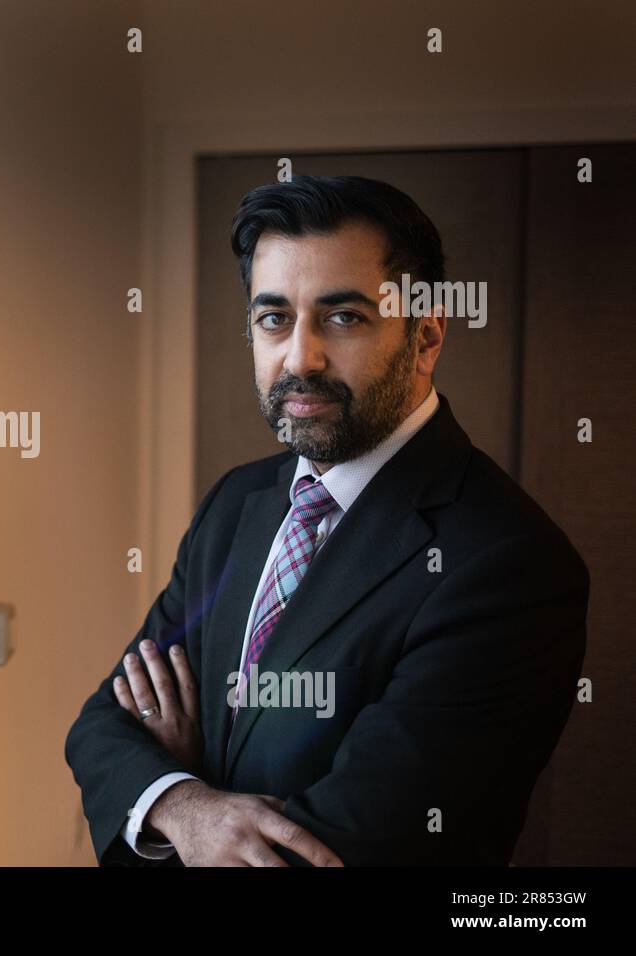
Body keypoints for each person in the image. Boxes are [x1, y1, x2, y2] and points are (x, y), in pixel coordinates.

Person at [63, 175, 589, 866]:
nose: (299, 358)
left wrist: (186, 777)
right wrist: (183, 804)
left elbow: (337, 851)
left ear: (425, 336)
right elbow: (103, 723)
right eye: (274, 318)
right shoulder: (236, 503)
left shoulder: (509, 566)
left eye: (344, 317)